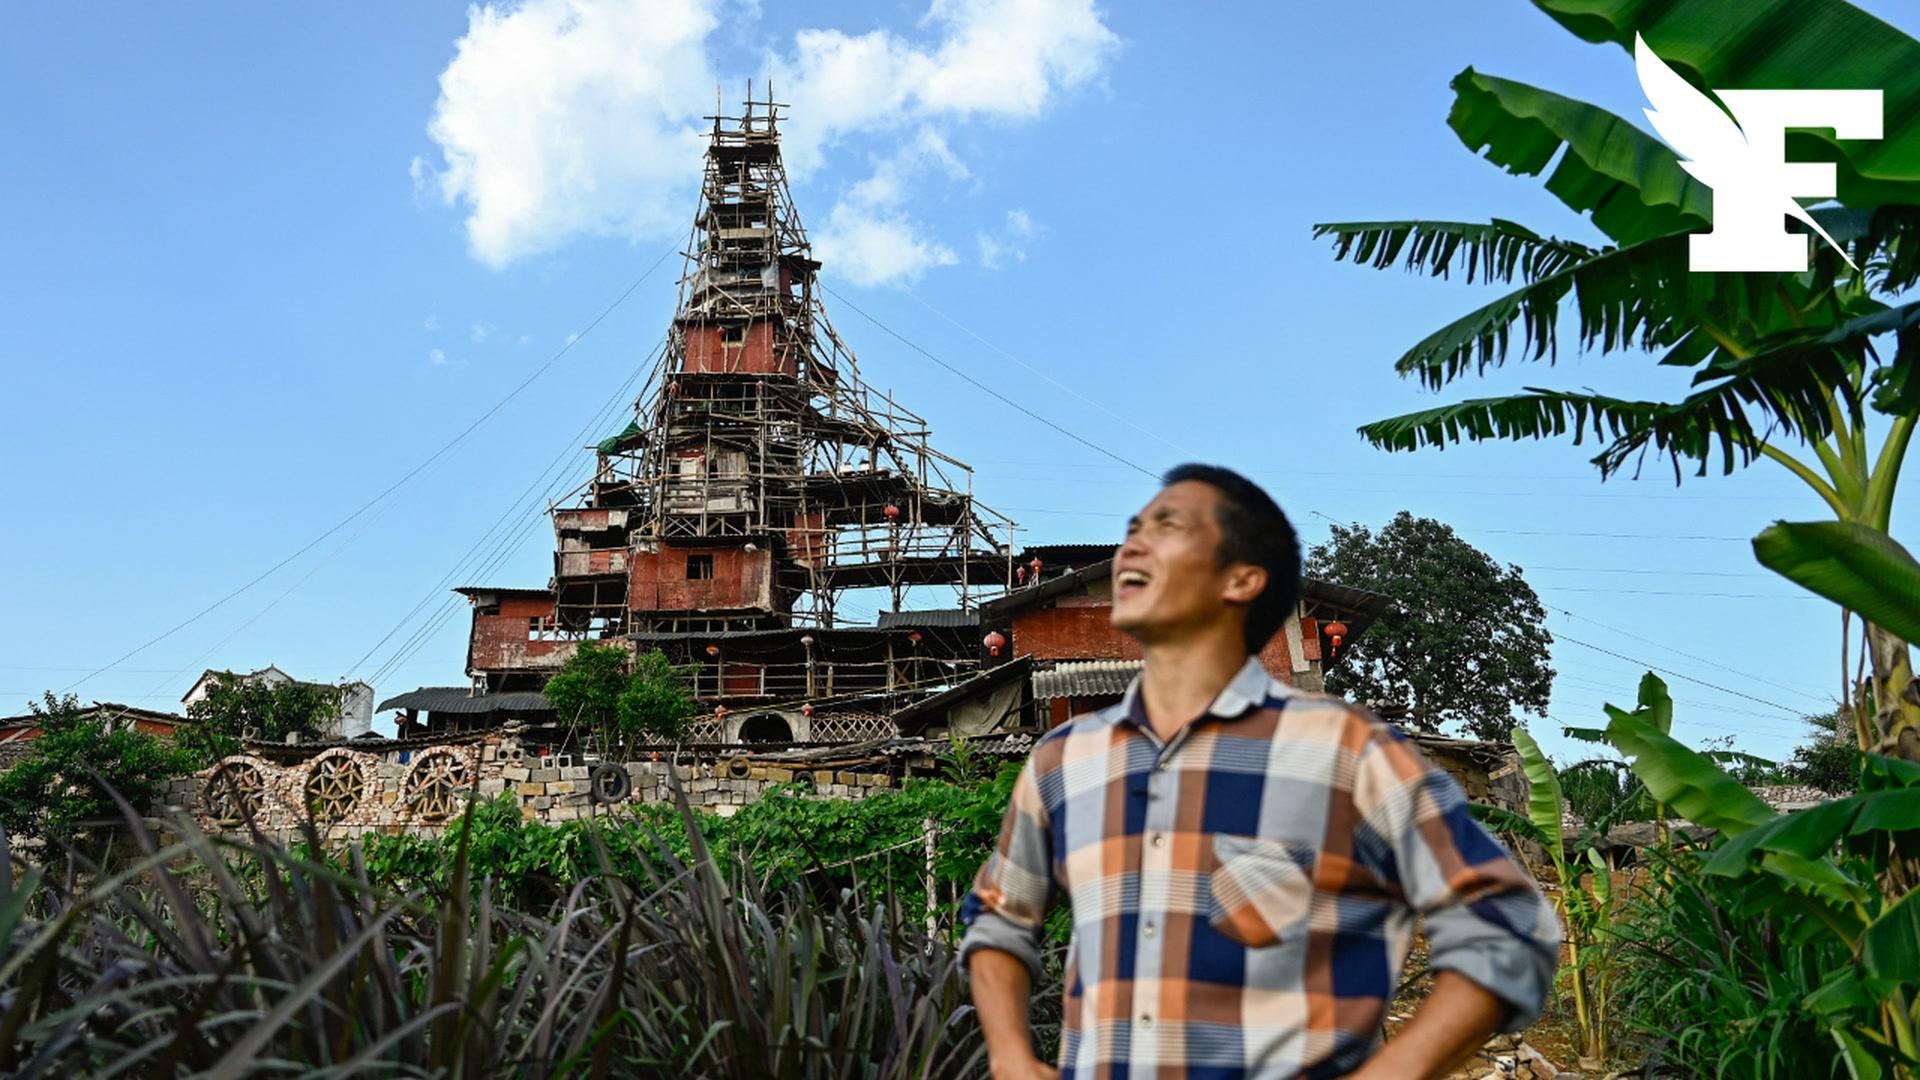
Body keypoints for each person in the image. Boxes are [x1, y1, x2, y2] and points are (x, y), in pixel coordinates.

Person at [960, 464, 1561, 1079]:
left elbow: (1508, 924)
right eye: (1134, 528)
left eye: (1168, 527)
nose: (1132, 544)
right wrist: (1010, 1055)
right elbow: (999, 917)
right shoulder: (1063, 760)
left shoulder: (1347, 753)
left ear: (1242, 578)